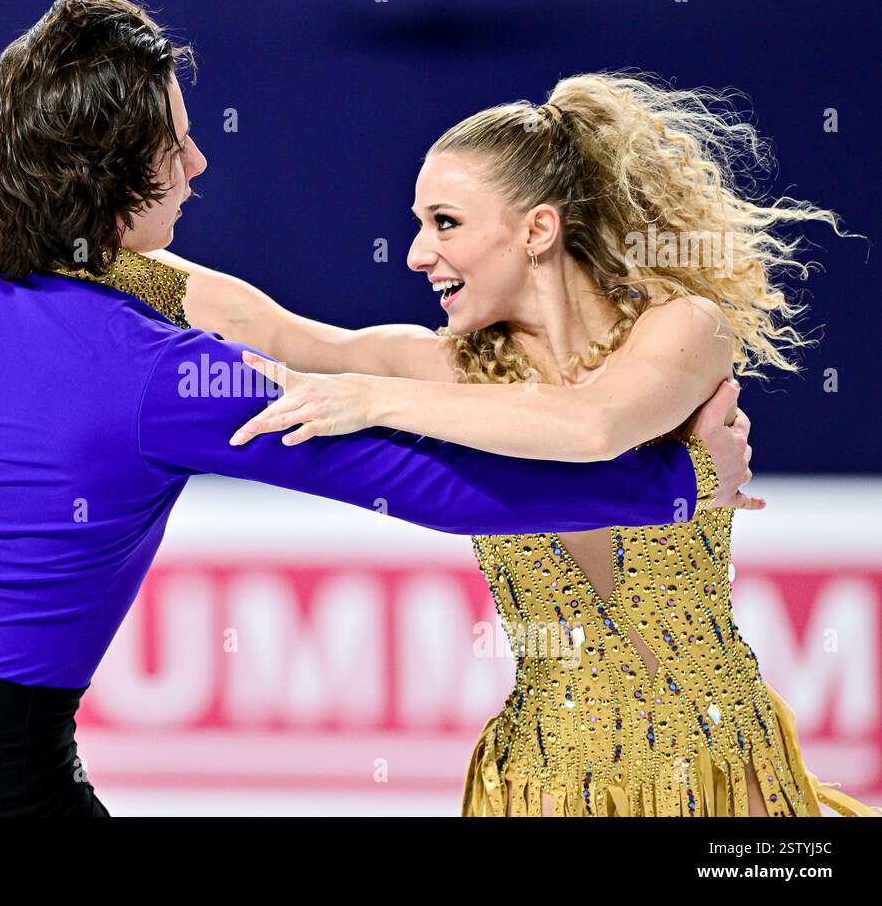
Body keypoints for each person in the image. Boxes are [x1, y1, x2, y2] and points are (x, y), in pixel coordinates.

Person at [0, 0, 753, 816]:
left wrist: (16, 160)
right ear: (109, 175)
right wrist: (680, 480)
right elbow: (435, 491)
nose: (197, 163)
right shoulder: (162, 372)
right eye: (175, 148)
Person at [181, 71, 879, 816]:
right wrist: (79, 244)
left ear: (537, 231)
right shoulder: (444, 369)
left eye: (444, 223)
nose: (416, 254)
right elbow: (273, 332)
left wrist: (374, 398)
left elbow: (594, 426)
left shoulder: (682, 329)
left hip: (725, 774)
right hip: (544, 783)